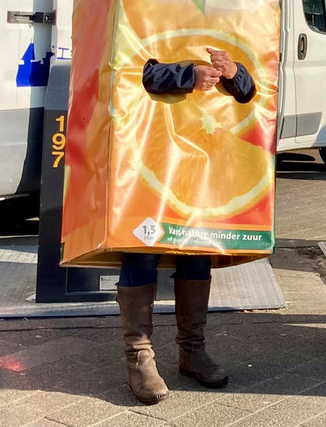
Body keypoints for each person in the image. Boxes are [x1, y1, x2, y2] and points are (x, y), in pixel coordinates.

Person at [117, 46, 255, 405]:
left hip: (205, 156)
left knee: (197, 249)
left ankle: (192, 350)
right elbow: (132, 69)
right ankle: (139, 357)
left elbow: (251, 91)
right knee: (142, 247)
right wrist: (187, 75)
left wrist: (234, 71)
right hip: (150, 152)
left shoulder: (229, 9)